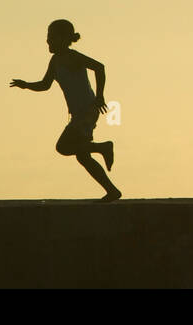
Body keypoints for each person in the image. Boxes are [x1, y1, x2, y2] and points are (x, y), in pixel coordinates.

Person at [10, 19, 121, 201]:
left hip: (87, 111)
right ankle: (112, 191)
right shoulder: (55, 61)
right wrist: (26, 85)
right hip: (78, 113)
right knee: (82, 156)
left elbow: (99, 67)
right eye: (48, 37)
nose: (48, 42)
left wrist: (100, 96)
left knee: (63, 147)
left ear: (63, 39)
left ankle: (103, 147)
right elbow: (45, 85)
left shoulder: (73, 57)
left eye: (51, 38)